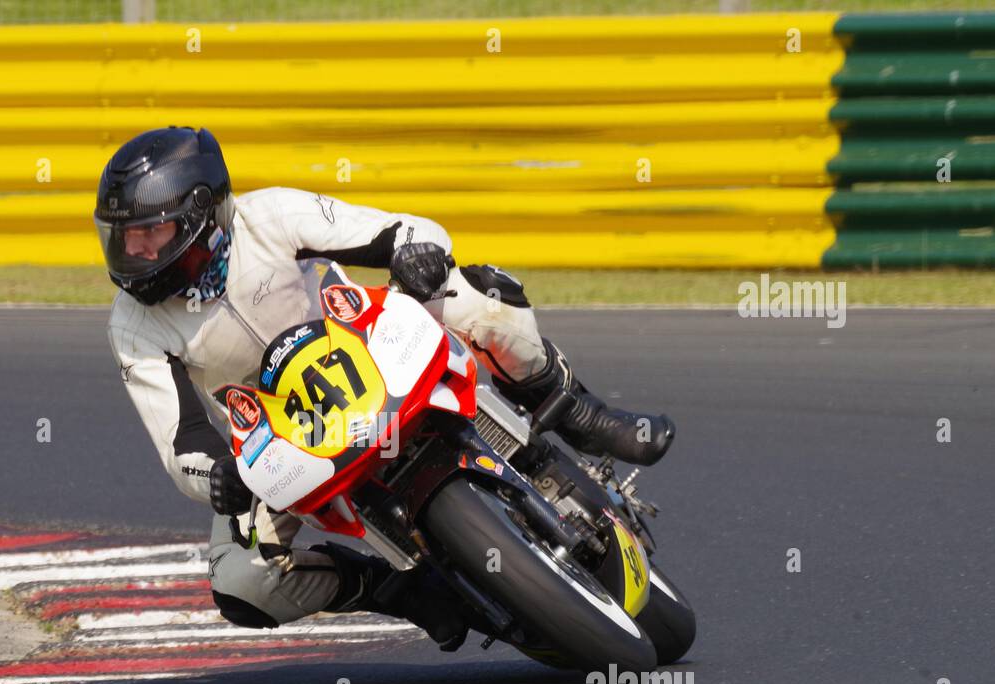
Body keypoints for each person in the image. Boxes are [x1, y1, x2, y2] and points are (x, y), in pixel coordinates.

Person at [98, 127, 674, 650]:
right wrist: (218, 475)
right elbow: (181, 445)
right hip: (279, 442)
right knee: (240, 581)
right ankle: (400, 590)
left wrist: (416, 253)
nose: (137, 255)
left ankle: (575, 409)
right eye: (124, 240)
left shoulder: (269, 216)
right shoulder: (133, 324)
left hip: (369, 348)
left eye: (151, 234)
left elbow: (400, 229)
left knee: (472, 292)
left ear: (202, 215)